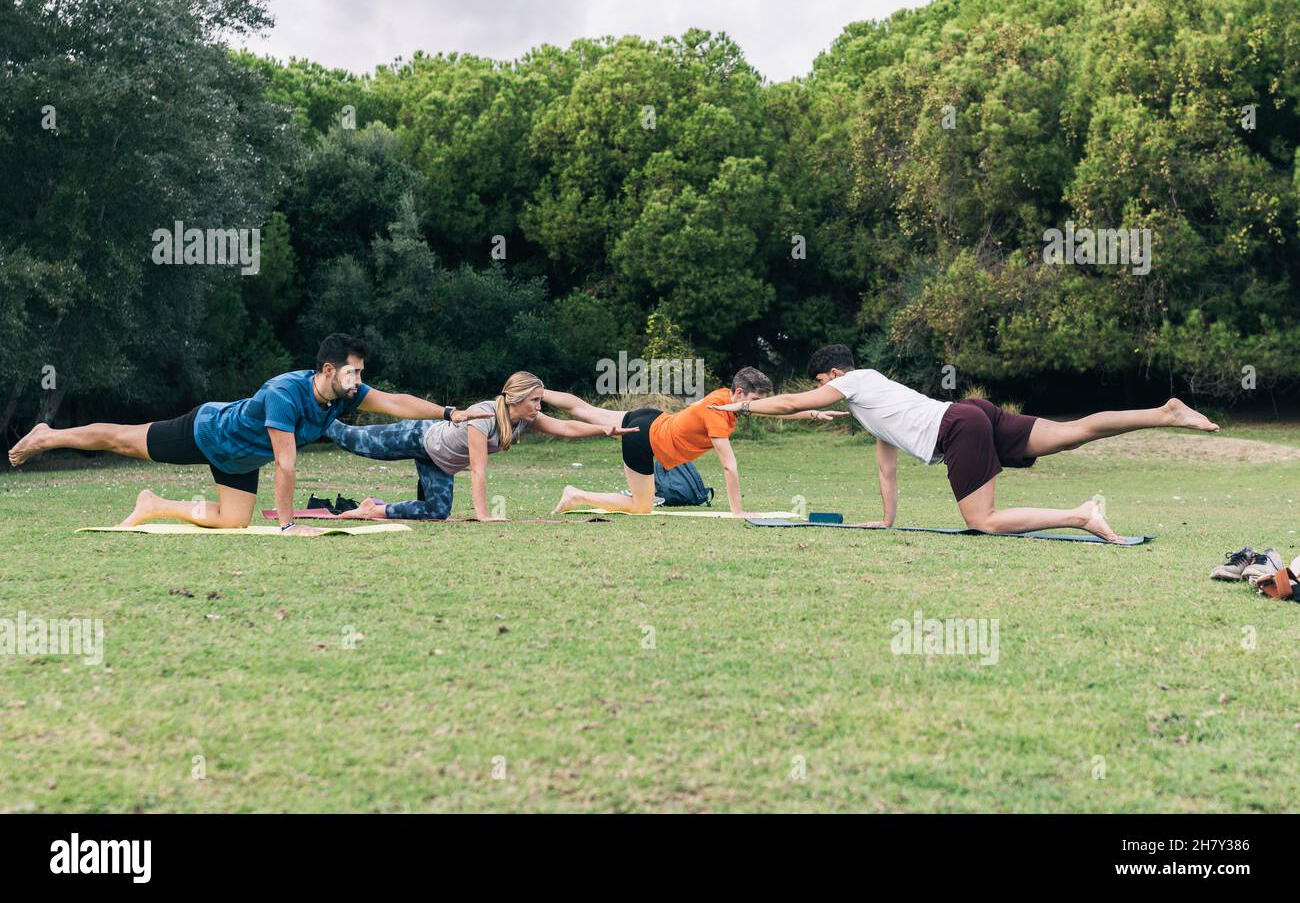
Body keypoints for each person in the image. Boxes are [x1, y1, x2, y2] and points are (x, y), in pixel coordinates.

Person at [709, 344, 1219, 543]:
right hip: (971, 415)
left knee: (982, 521)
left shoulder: (858, 380)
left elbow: (796, 403)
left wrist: (746, 406)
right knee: (1074, 432)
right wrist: (886, 520)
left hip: (958, 428)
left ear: (834, 373)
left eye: (824, 380)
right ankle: (1164, 412)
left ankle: (1083, 515)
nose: (825, 389)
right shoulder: (873, 404)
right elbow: (887, 464)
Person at [7, 333, 489, 534]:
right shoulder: (285, 393)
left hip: (238, 461)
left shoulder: (344, 394)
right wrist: (286, 523)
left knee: (234, 522)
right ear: (328, 369)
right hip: (208, 432)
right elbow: (284, 461)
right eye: (353, 373)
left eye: (360, 374)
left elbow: (397, 403)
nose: (359, 381)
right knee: (122, 440)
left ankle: (154, 504)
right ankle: (49, 434)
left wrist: (449, 412)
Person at [328, 371, 638, 521]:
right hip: (418, 436)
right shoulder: (484, 416)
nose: (538, 406)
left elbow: (567, 428)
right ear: (516, 398)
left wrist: (604, 428)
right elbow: (478, 471)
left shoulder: (525, 419)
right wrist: (483, 515)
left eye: (540, 400)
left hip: (439, 462)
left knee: (436, 513)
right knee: (350, 439)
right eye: (534, 399)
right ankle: (318, 417)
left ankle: (371, 509)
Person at [545, 367, 843, 516]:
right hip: (644, 438)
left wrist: (813, 413)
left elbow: (776, 410)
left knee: (584, 409)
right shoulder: (717, 413)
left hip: (651, 418)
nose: (756, 406)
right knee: (642, 507)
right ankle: (577, 495)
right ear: (739, 393)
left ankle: (537, 391)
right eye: (753, 400)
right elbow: (729, 466)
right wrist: (738, 511)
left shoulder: (724, 398)